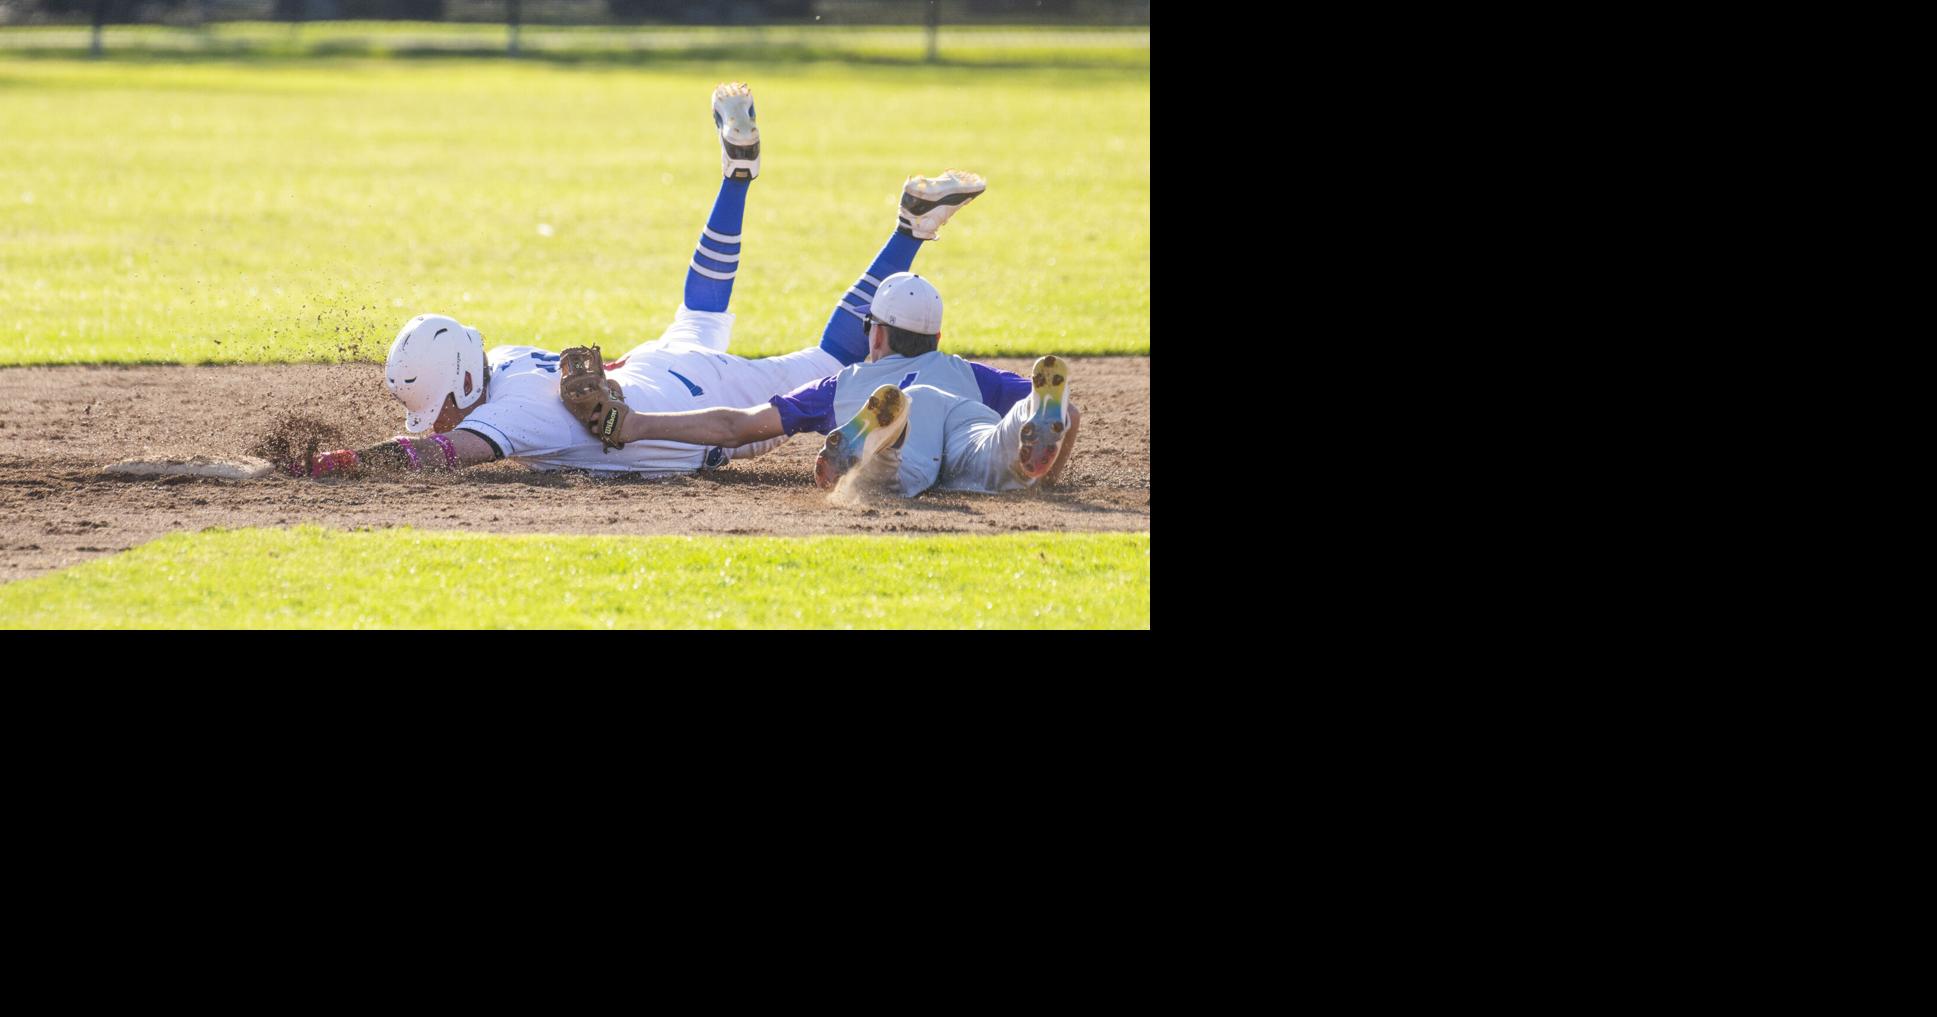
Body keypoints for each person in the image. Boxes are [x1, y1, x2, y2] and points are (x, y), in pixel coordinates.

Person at [286, 82, 988, 481]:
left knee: (834, 363)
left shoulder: (513, 415)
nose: (436, 419)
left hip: (703, 407)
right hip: (658, 367)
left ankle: (910, 230)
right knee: (698, 315)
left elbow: (444, 452)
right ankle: (735, 178)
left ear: (465, 385)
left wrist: (351, 462)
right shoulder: (499, 360)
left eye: (437, 404)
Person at [589, 266, 1081, 497]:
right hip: (962, 410)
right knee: (994, 455)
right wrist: (1047, 483)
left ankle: (889, 439)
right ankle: (1033, 412)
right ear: (937, 336)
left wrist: (635, 424)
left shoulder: (840, 382)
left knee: (891, 479)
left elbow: (736, 426)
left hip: (895, 416)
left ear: (878, 333)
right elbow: (1074, 419)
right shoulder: (966, 372)